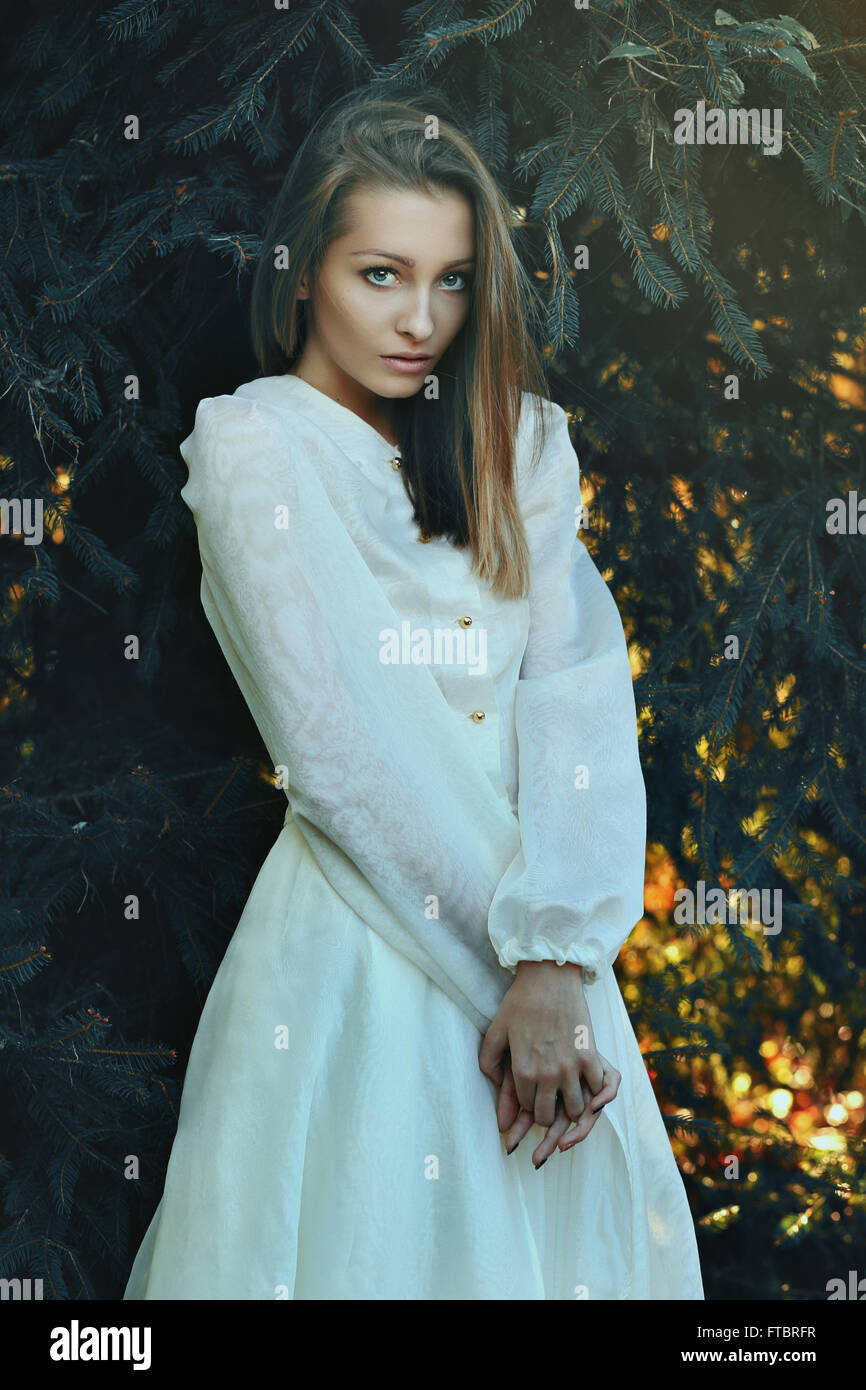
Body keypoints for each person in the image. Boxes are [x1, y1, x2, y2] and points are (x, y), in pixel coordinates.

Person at [123, 87, 704, 1300]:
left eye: (450, 281)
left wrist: (562, 955)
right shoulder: (253, 447)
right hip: (358, 959)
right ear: (302, 275)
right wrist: (521, 987)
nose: (419, 319)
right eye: (380, 274)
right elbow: (337, 749)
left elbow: (577, 693)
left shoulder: (520, 446)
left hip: (550, 986)